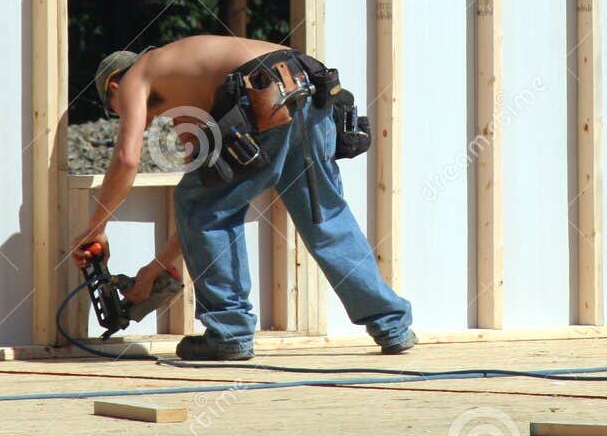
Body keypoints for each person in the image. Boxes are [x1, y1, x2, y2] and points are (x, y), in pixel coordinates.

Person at [70, 35, 416, 360]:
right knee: (324, 217)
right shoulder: (190, 91)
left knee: (201, 202)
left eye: (115, 110)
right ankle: (392, 325)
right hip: (310, 86)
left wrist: (95, 229)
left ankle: (229, 333)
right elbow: (205, 213)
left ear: (114, 85)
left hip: (263, 91)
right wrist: (151, 274)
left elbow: (126, 160)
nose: (129, 118)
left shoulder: (136, 75)